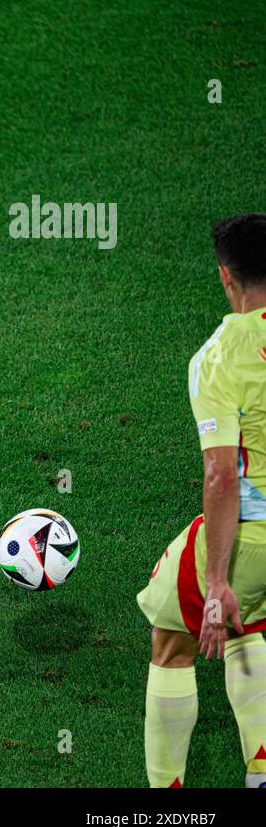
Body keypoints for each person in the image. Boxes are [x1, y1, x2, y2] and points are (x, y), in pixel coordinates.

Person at [139, 213, 266, 787]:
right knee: (250, 625)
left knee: (172, 638)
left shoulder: (219, 356)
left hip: (253, 534)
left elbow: (220, 476)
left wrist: (216, 582)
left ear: (225, 276)